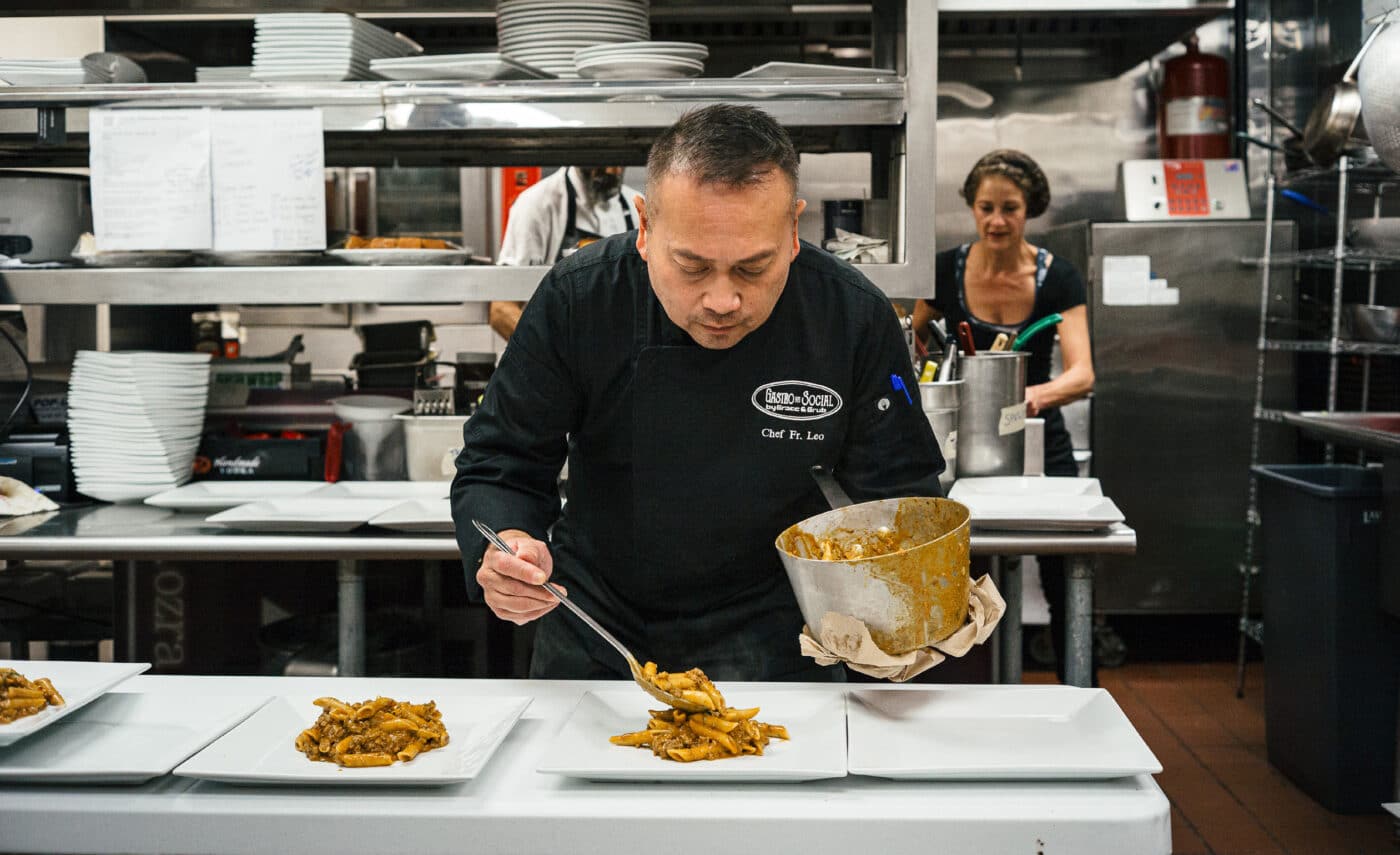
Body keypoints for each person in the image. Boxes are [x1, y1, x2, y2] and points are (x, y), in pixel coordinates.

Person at [453, 104, 945, 682]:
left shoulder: (852, 318)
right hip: (597, 627)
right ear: (644, 227)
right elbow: (502, 459)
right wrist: (508, 543)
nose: (721, 301)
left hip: (777, 631)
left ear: (793, 231)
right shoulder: (579, 299)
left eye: (753, 267)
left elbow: (899, 500)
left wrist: (908, 608)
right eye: (690, 265)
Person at [912, 148, 1095, 683]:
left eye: (1010, 209)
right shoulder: (945, 270)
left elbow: (1082, 373)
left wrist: (1026, 398)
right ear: (971, 207)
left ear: (1028, 210)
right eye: (986, 207)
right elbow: (911, 339)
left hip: (1037, 438)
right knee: (953, 566)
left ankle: (1079, 690)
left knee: (1065, 574)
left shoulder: (1057, 276)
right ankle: (952, 690)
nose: (997, 220)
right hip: (957, 443)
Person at [489, 165, 641, 341]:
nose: (613, 170)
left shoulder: (637, 205)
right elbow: (501, 310)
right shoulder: (537, 205)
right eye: (603, 163)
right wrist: (550, 355)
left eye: (620, 163)